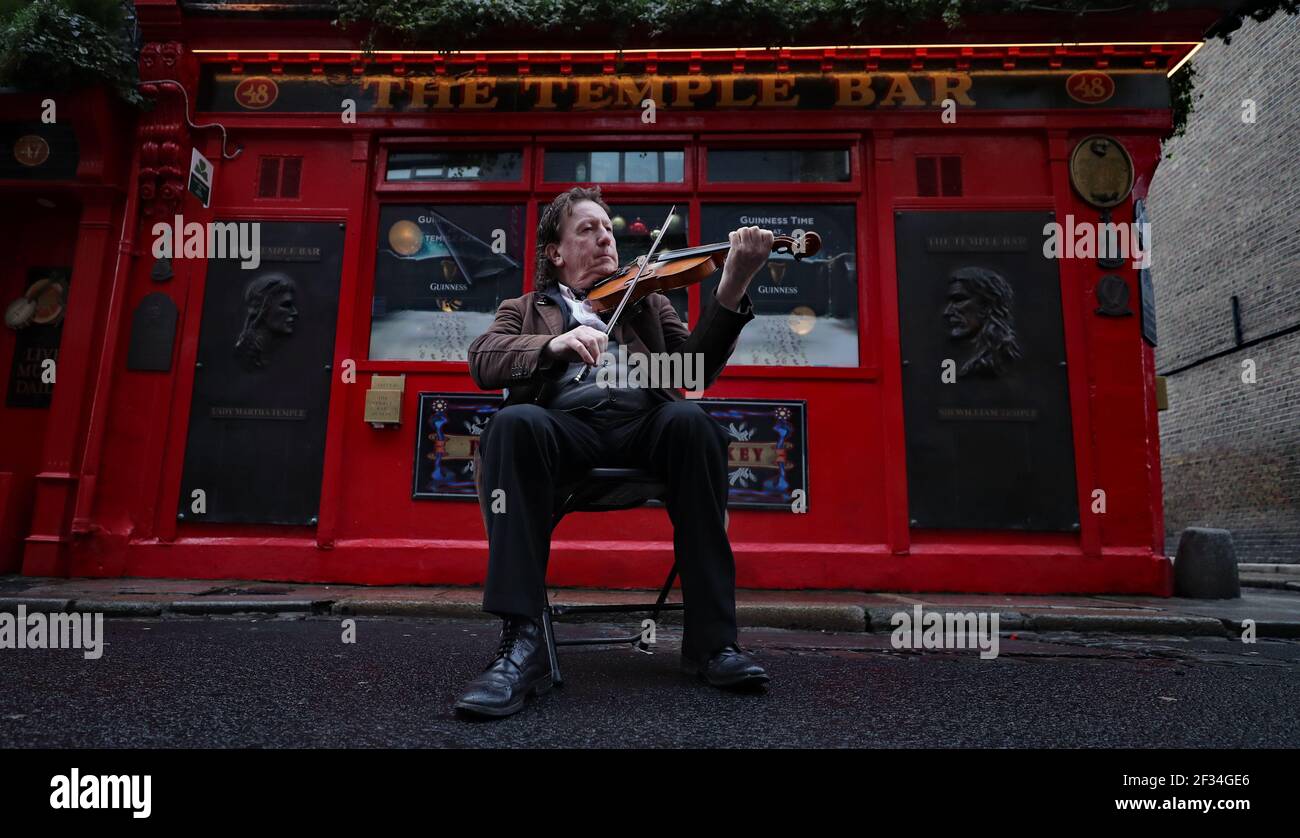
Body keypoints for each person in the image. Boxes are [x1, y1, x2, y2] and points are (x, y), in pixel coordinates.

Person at [454, 185, 774, 718]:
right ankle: (522, 646)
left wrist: (733, 282)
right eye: (588, 229)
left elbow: (694, 370)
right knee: (513, 422)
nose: (606, 238)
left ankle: (713, 643)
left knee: (692, 422)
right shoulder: (525, 308)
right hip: (562, 430)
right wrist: (551, 345)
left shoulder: (648, 300)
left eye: (608, 228)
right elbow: (483, 359)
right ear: (555, 252)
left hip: (641, 427)